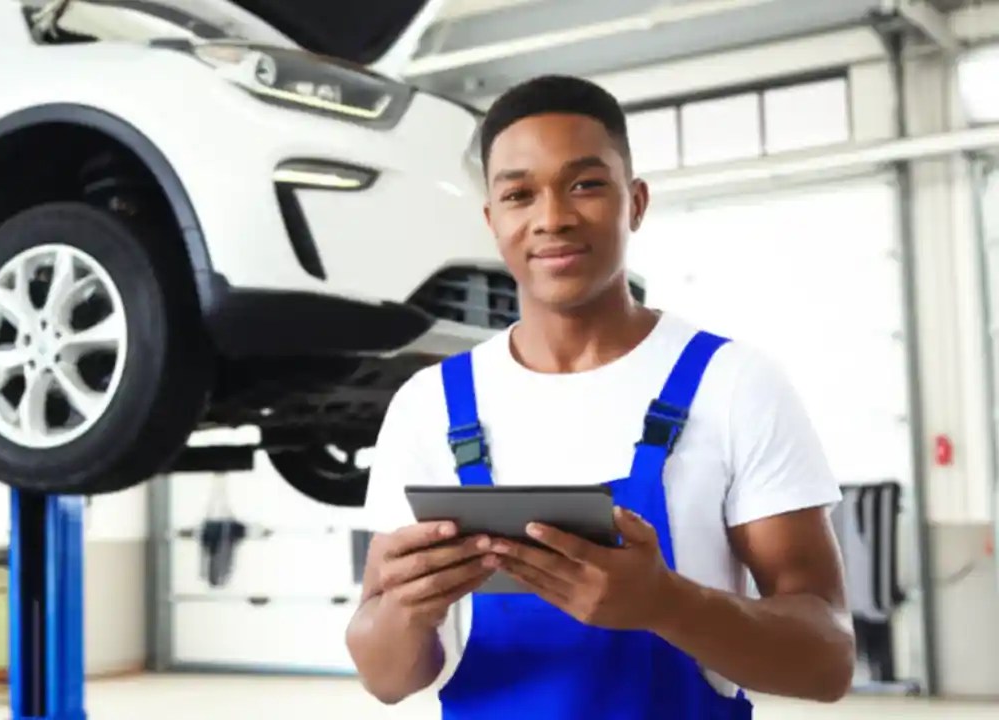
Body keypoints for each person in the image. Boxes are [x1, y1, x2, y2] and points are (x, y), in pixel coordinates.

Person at [344, 75, 856, 719]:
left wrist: (667, 603)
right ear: (492, 220)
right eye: (519, 194)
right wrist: (403, 609)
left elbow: (828, 659)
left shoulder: (734, 386)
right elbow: (386, 678)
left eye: (585, 184)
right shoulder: (430, 406)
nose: (552, 217)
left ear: (635, 202)